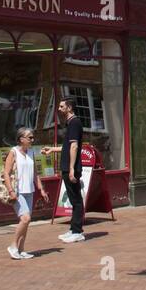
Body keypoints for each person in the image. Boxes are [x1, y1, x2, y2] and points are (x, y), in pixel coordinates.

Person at [4, 127, 47, 260]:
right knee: (25, 218)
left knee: (26, 221)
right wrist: (11, 191)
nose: (32, 140)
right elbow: (6, 173)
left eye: (33, 137)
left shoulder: (31, 152)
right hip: (18, 191)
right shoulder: (13, 152)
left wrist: (41, 189)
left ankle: (21, 250)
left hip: (30, 191)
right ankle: (13, 246)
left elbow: (35, 173)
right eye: (30, 137)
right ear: (21, 139)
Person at [57, 99, 86, 243]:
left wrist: (71, 169)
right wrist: (52, 150)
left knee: (76, 200)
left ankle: (77, 232)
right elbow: (68, 147)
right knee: (73, 199)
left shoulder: (74, 123)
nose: (59, 108)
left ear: (69, 107)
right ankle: (73, 229)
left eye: (62, 106)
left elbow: (74, 147)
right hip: (67, 166)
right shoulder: (70, 123)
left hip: (71, 167)